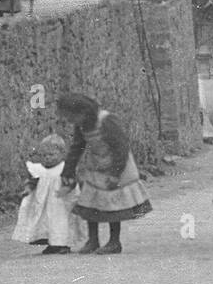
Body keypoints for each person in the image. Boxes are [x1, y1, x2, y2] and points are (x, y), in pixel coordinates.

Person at [57, 92, 152, 254]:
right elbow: (77, 147)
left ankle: (114, 242)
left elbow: (121, 147)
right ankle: (93, 240)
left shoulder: (106, 121)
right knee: (89, 202)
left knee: (112, 206)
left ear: (83, 112)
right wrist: (68, 170)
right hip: (96, 166)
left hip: (116, 166)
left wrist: (115, 174)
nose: (69, 121)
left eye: (71, 117)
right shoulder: (82, 125)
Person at [12, 133, 85, 255]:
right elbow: (32, 181)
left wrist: (68, 188)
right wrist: (28, 189)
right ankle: (52, 244)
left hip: (60, 202)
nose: (47, 158)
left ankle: (63, 244)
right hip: (44, 203)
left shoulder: (64, 168)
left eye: (51, 155)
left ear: (62, 154)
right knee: (46, 222)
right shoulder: (40, 169)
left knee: (61, 221)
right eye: (44, 155)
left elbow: (72, 181)